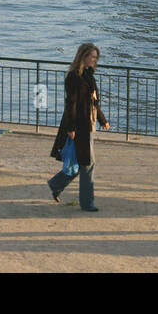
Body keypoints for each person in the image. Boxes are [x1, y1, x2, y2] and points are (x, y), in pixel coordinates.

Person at [48, 44, 110, 212]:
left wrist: (102, 120)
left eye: (96, 57)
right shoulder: (74, 77)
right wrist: (71, 128)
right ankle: (87, 203)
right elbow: (71, 104)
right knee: (87, 163)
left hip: (88, 125)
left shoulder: (89, 75)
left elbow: (94, 102)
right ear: (83, 56)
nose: (95, 60)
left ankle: (56, 184)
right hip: (78, 126)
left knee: (82, 162)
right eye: (92, 56)